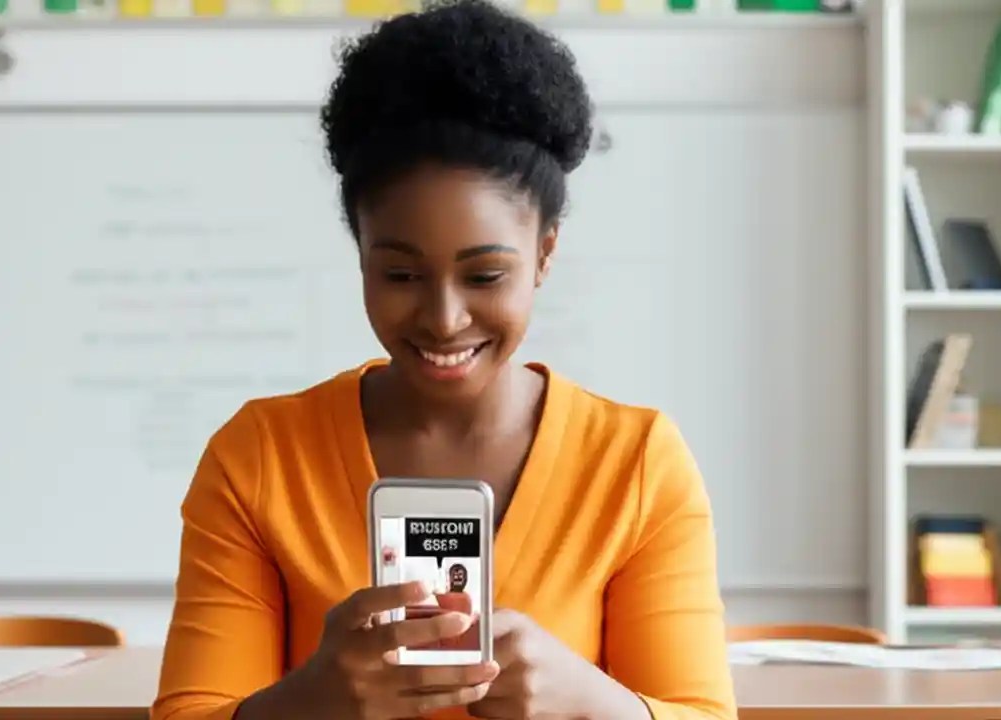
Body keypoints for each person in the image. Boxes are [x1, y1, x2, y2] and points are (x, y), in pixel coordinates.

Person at [151, 1, 736, 718]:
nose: (443, 318)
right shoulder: (259, 457)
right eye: (399, 275)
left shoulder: (637, 461)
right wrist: (314, 700)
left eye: (485, 275)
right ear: (360, 256)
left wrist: (592, 704)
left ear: (544, 254)